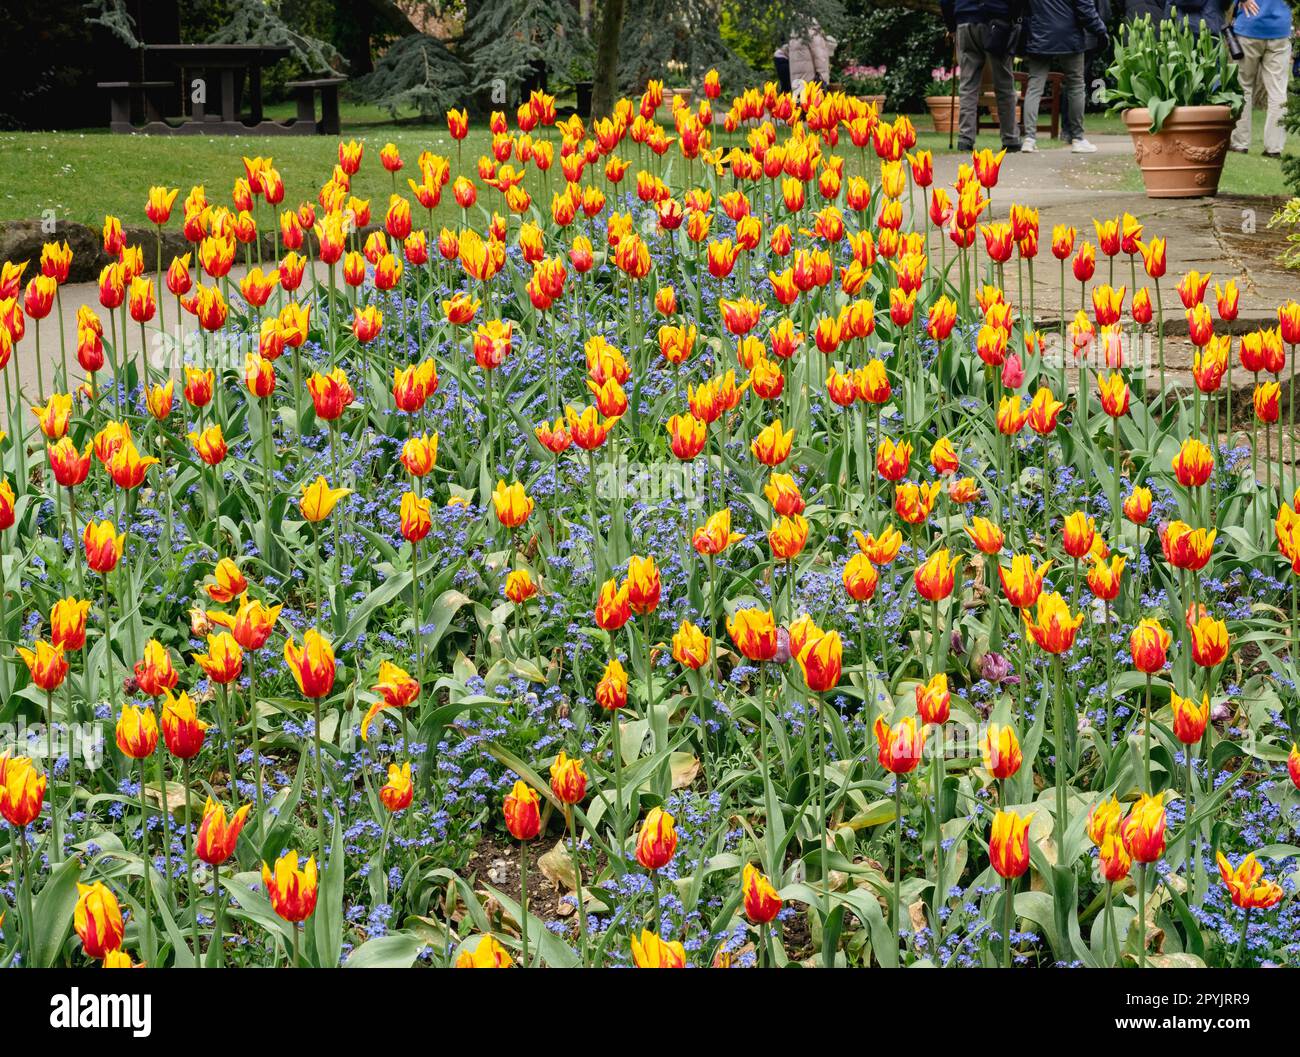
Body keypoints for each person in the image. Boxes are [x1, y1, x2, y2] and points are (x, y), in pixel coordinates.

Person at [1019, 0, 1111, 153]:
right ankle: (1078, 138)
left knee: (1034, 86)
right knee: (1076, 85)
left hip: (1039, 34)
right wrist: (1101, 31)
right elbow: (1085, 9)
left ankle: (1029, 139)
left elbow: (1022, 8)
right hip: (1070, 36)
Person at [941, 0, 1024, 152]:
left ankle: (965, 138)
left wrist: (952, 26)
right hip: (997, 20)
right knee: (1004, 84)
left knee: (968, 85)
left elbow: (945, 1)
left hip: (965, 21)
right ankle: (1010, 138)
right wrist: (1014, 19)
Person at [1229, 0, 1292, 158]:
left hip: (1249, 26)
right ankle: (1274, 147)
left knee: (1243, 86)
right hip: (1281, 29)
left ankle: (1239, 143)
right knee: (1278, 91)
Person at [786, 19, 837, 95]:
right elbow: (819, 56)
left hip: (797, 80)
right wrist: (824, 79)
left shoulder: (794, 33)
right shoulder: (812, 32)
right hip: (811, 80)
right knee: (813, 104)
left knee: (799, 103)